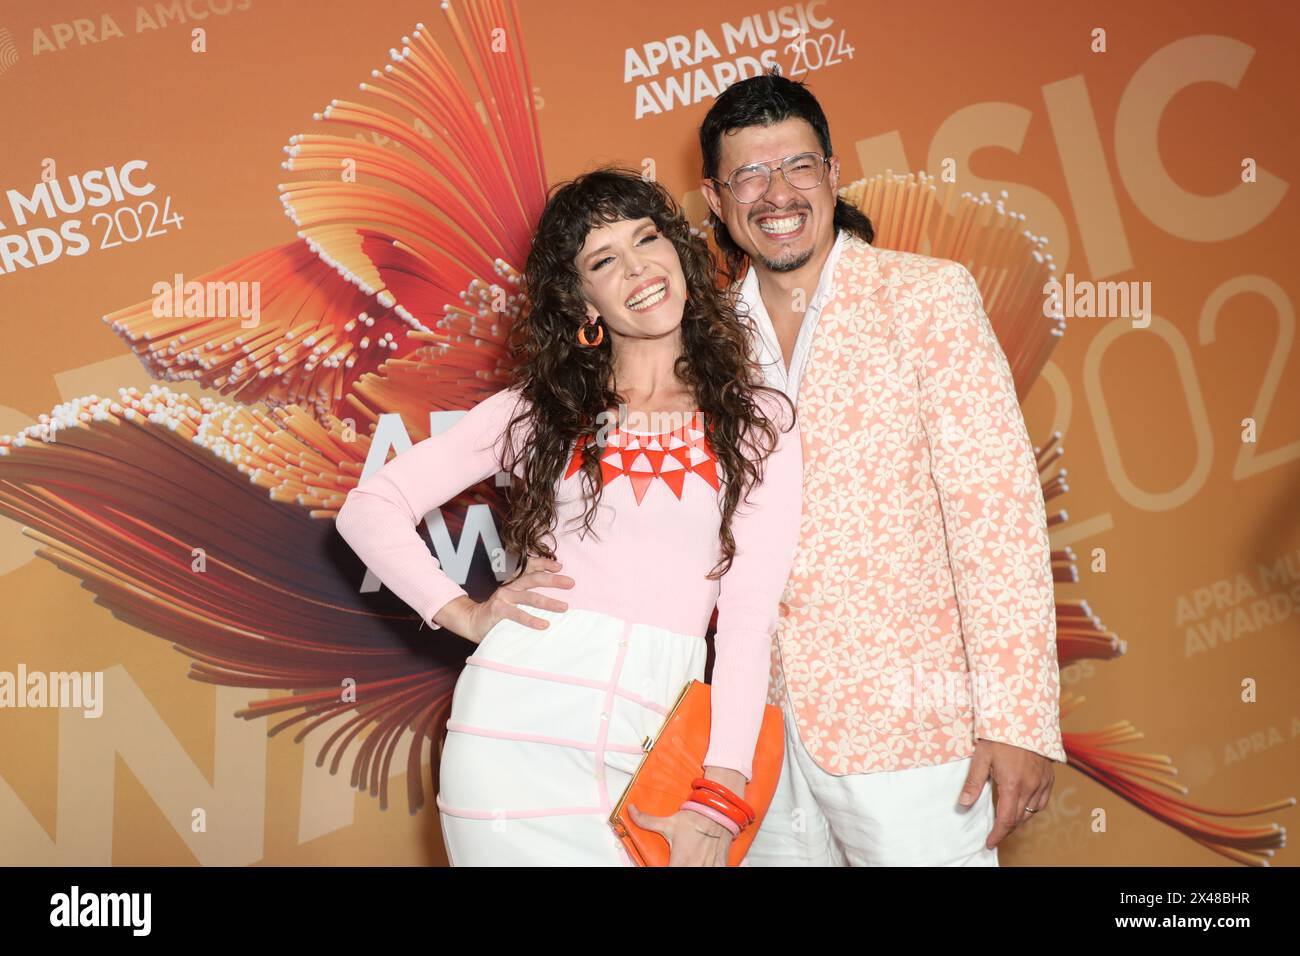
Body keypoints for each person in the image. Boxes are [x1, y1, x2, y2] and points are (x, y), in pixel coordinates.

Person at [334, 167, 801, 866]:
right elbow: (370, 509)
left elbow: (748, 612)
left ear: (679, 253)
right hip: (511, 741)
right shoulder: (538, 412)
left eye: (647, 239)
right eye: (603, 260)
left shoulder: (757, 418)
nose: (638, 267)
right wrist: (462, 613)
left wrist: (722, 784)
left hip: (657, 742)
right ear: (583, 303)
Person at [698, 69, 1067, 866]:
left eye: (797, 166)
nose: (776, 193)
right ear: (716, 199)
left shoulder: (927, 297)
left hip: (915, 737)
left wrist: (1019, 720)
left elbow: (996, 514)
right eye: (749, 175)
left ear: (833, 175)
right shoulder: (704, 343)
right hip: (754, 739)